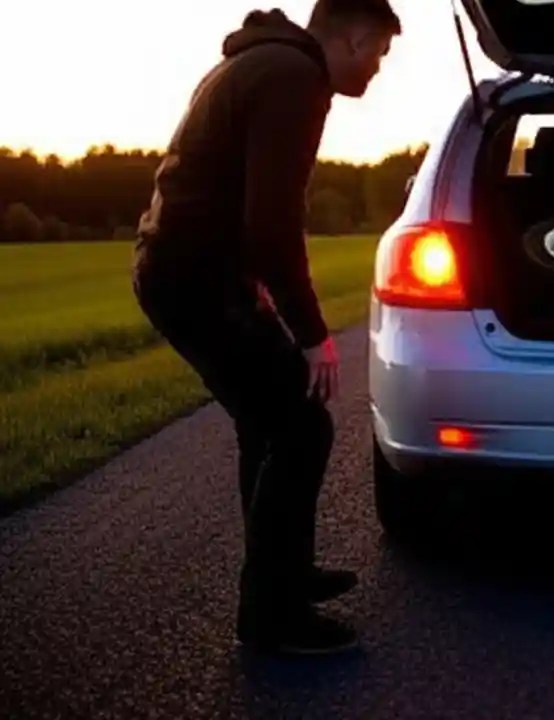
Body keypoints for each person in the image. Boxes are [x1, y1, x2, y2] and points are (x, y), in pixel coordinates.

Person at [131, 0, 400, 655]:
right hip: (196, 281)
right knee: (302, 426)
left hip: (186, 273)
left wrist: (264, 302)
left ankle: (284, 574)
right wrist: (312, 333)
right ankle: (272, 615)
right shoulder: (292, 78)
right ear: (355, 35)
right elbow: (272, 221)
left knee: (270, 421)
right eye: (379, 55)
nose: (376, 70)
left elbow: (245, 206)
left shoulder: (259, 63)